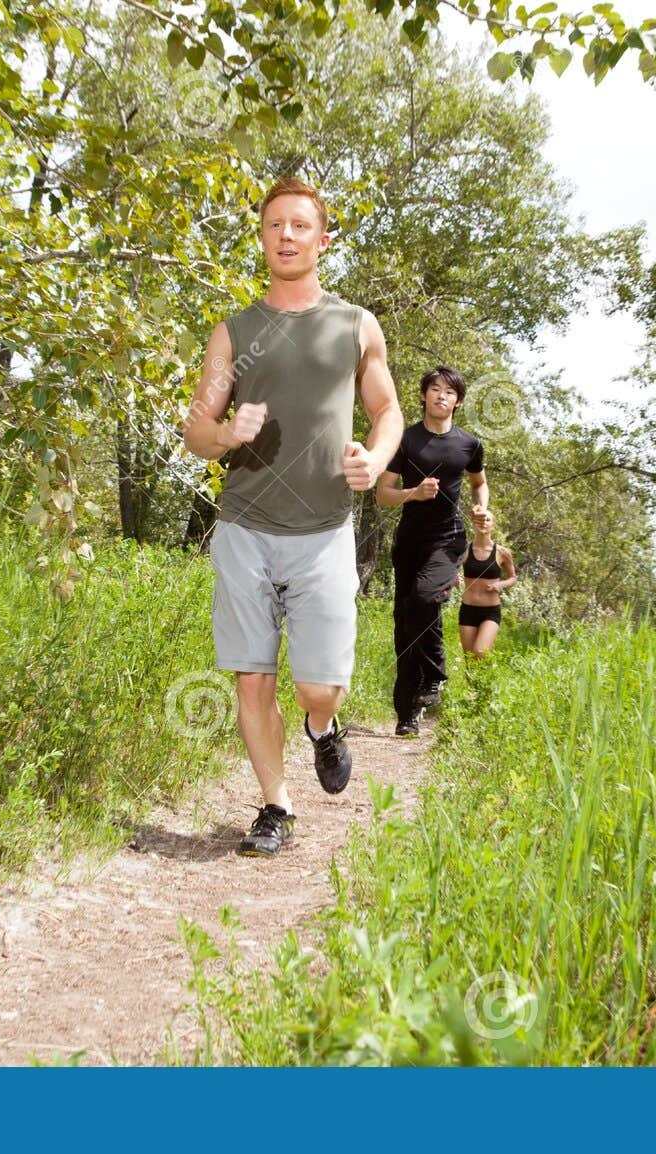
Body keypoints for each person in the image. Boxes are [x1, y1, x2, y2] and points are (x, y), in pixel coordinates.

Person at [182, 177, 403, 858]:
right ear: (261, 237)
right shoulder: (236, 330)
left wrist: (376, 456)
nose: (285, 235)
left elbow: (387, 411)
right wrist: (227, 433)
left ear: (322, 239)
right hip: (246, 525)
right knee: (253, 675)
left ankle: (321, 726)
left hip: (325, 530)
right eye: (274, 225)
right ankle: (275, 806)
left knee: (318, 685)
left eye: (299, 225)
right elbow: (197, 426)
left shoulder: (355, 325)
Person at [375, 366, 488, 737]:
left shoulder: (468, 445)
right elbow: (382, 493)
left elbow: (478, 483)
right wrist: (413, 493)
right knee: (406, 624)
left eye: (449, 392)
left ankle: (435, 675)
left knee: (425, 598)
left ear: (458, 401)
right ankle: (407, 713)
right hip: (409, 541)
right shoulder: (406, 441)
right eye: (435, 389)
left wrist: (481, 507)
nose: (441, 396)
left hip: (447, 538)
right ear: (423, 396)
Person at [455, 509, 515, 656]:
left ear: (493, 525)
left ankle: (485, 678)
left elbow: (513, 578)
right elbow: (448, 570)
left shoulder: (502, 552)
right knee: (470, 660)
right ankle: (477, 681)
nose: (483, 522)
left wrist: (501, 585)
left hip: (490, 612)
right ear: (473, 524)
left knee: (480, 653)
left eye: (487, 520)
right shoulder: (464, 550)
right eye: (479, 520)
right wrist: (453, 578)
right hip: (468, 610)